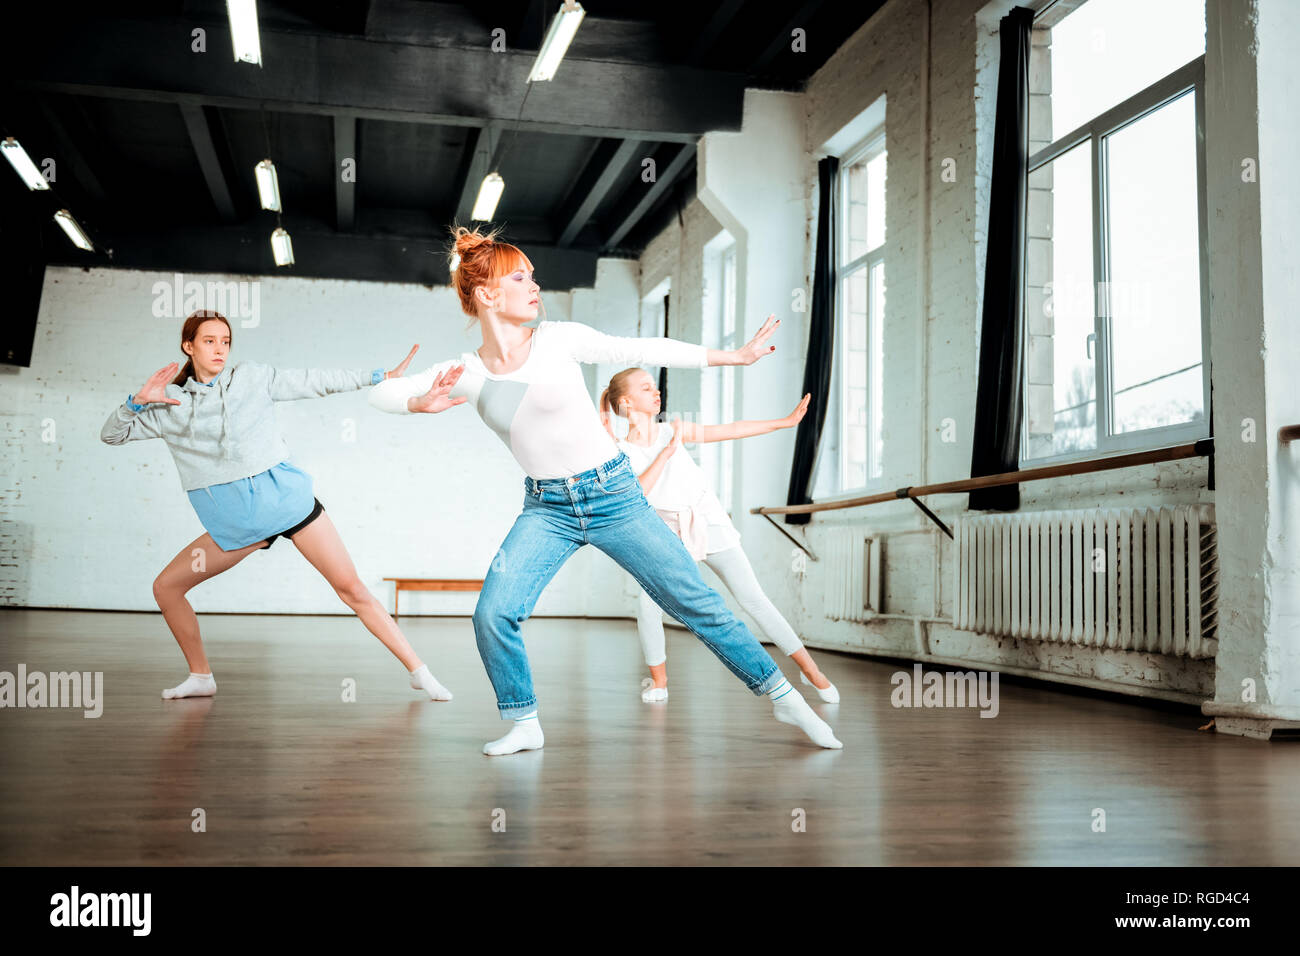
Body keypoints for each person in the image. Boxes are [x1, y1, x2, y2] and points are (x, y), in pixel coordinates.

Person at [369, 226, 842, 755]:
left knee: (697, 601)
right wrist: (413, 402)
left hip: (614, 495)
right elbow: (383, 392)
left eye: (533, 276)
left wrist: (733, 357)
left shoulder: (557, 339)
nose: (534, 286)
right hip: (547, 507)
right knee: (493, 611)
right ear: (485, 295)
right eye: (520, 277)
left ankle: (783, 696)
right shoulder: (467, 371)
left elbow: (641, 346)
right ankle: (524, 721)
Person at [100, 309, 452, 703]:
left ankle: (419, 671)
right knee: (166, 588)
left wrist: (379, 377)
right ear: (188, 346)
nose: (220, 349)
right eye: (209, 341)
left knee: (351, 589)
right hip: (238, 525)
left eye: (226, 341)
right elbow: (112, 436)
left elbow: (313, 381)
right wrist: (135, 402)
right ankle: (201, 676)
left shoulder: (251, 378)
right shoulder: (168, 406)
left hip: (289, 504)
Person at [598, 368, 840, 705]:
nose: (656, 393)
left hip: (708, 521)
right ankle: (659, 682)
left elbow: (730, 430)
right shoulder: (620, 451)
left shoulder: (674, 428)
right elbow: (638, 492)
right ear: (626, 401)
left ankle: (811, 671)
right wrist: (667, 453)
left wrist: (783, 423)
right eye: (645, 388)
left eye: (655, 386)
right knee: (647, 604)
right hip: (665, 533)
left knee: (753, 598)